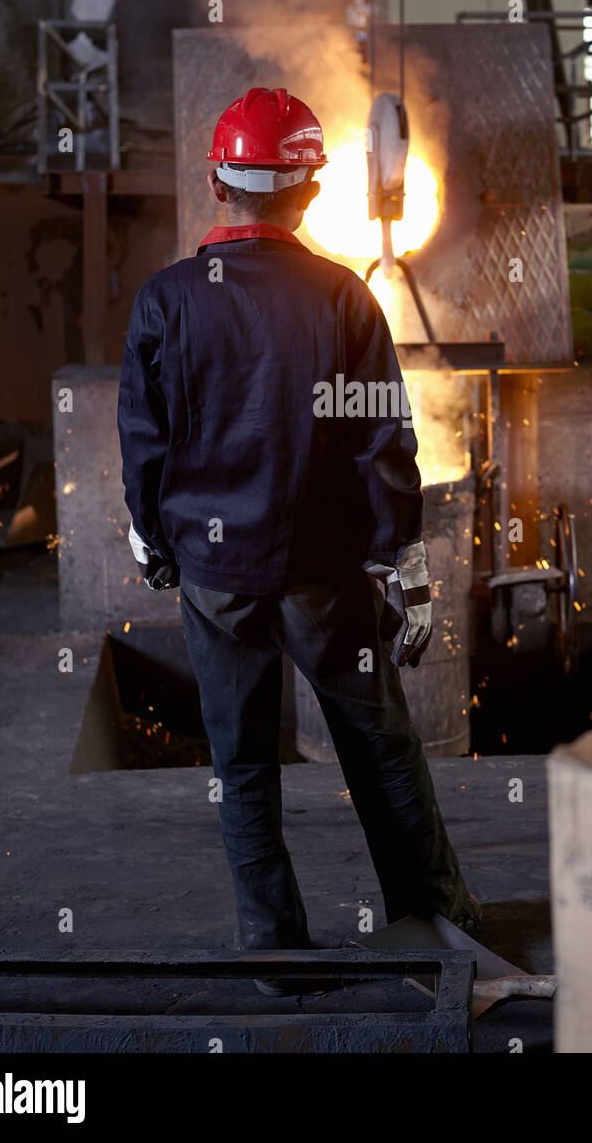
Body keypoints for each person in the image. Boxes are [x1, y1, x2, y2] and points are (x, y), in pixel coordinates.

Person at [118, 86, 480, 992]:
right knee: (381, 748)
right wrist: (402, 560)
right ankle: (434, 926)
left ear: (217, 183)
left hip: (214, 575)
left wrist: (155, 538)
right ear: (312, 192)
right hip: (321, 575)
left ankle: (273, 951)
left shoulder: (165, 301)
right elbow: (382, 445)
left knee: (243, 763)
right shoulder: (344, 298)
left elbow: (145, 444)